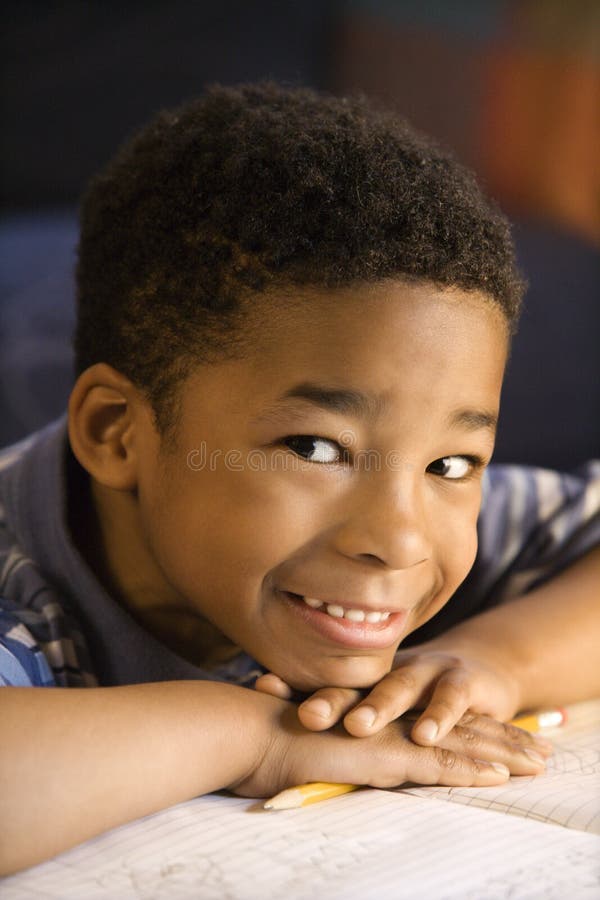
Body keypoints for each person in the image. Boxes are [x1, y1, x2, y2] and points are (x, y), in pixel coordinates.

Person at [1, 82, 598, 876]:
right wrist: (256, 735)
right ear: (118, 432)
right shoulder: (22, 590)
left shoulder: (402, 534)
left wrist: (497, 659)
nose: (399, 541)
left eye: (451, 465)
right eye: (318, 449)